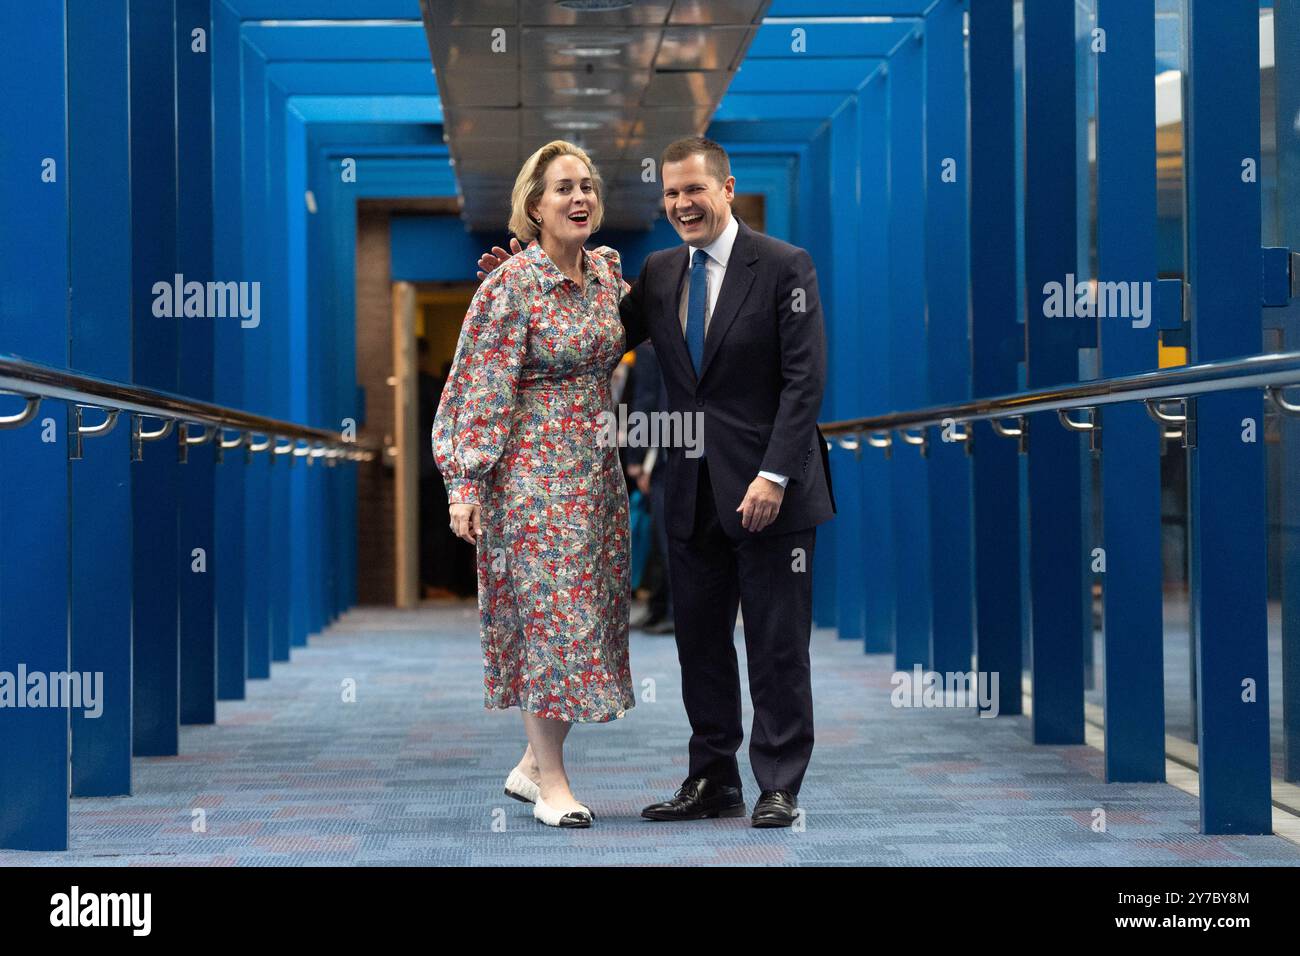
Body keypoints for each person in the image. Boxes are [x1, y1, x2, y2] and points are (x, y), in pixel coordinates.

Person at [478, 136, 836, 828]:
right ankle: (713, 779)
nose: (682, 204)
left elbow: (805, 383)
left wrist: (773, 474)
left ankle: (779, 784)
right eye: (671, 194)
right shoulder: (660, 273)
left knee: (775, 643)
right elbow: (581, 323)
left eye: (695, 190)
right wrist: (513, 278)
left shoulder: (785, 267)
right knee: (698, 643)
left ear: (727, 188)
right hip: (691, 489)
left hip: (772, 492)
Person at [432, 140, 633, 828]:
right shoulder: (511, 285)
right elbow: (479, 386)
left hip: (596, 473)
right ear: (534, 206)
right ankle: (554, 784)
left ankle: (528, 765)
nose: (580, 198)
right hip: (530, 479)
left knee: (589, 622)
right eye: (563, 189)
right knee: (549, 622)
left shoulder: (607, 277)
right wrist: (465, 480)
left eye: (587, 186)